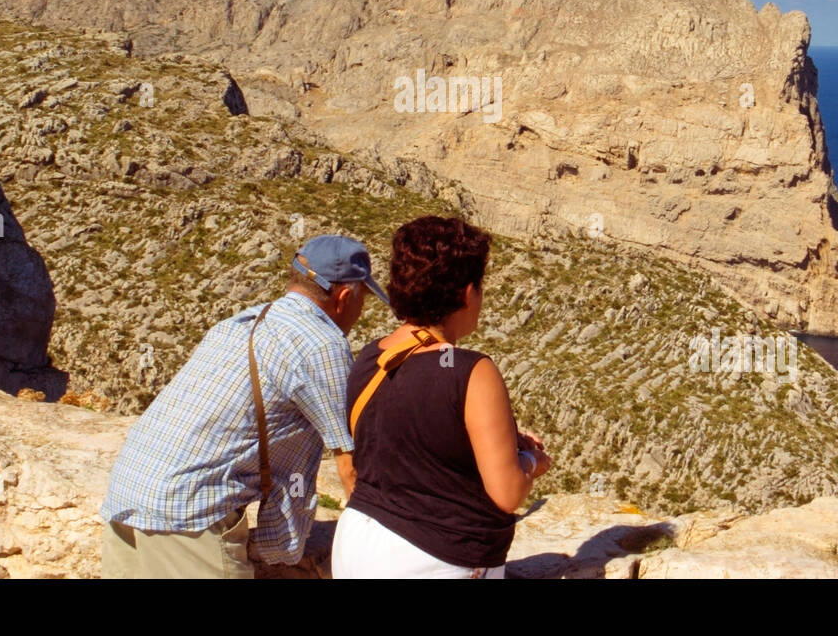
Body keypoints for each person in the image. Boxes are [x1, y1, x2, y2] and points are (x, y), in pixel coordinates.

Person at [100, 234, 389, 578]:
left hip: (128, 493)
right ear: (344, 297)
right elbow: (351, 462)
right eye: (364, 300)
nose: (360, 312)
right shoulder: (320, 343)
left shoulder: (245, 320)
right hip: (188, 513)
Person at [331, 215, 551, 578]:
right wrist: (529, 459)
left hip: (355, 544)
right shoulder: (472, 371)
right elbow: (507, 493)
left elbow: (414, 443)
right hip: (431, 559)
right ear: (467, 294)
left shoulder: (372, 357)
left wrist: (500, 441)